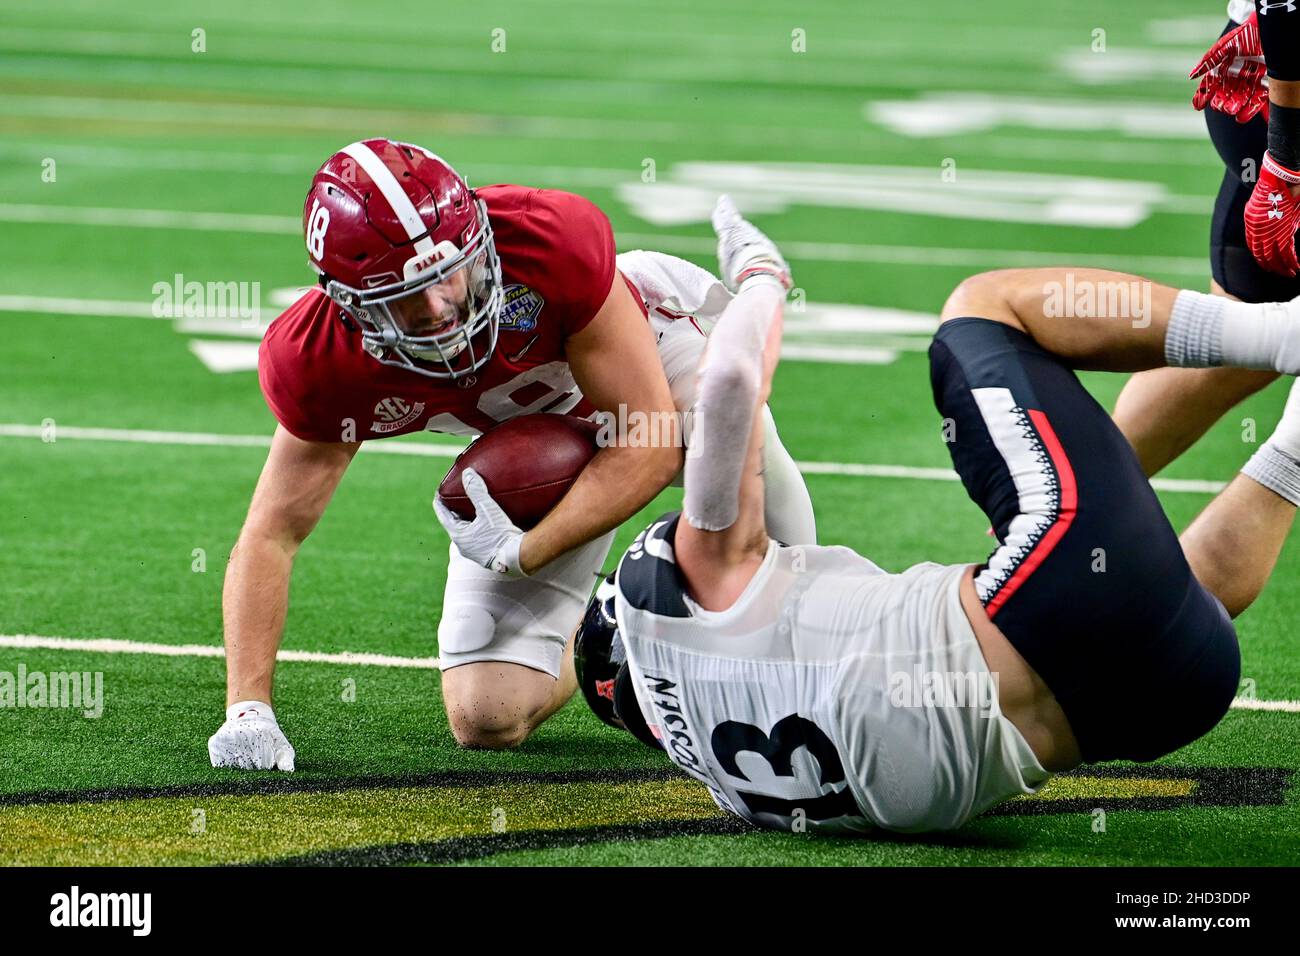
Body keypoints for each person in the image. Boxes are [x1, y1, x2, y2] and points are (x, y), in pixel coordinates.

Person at [584, 199, 1300, 833]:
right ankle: (1285, 331)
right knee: (983, 310)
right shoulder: (667, 605)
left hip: (1168, 692)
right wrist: (761, 277)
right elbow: (731, 386)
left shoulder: (734, 794)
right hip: (1061, 599)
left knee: (1175, 589)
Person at [207, 139, 815, 769]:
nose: (442, 306)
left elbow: (650, 440)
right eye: (407, 297)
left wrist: (525, 552)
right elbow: (270, 535)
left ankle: (759, 279)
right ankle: (631, 615)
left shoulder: (548, 242)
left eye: (449, 272)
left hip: (647, 362)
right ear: (351, 306)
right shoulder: (318, 365)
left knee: (738, 447)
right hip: (534, 434)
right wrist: (247, 709)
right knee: (486, 714)